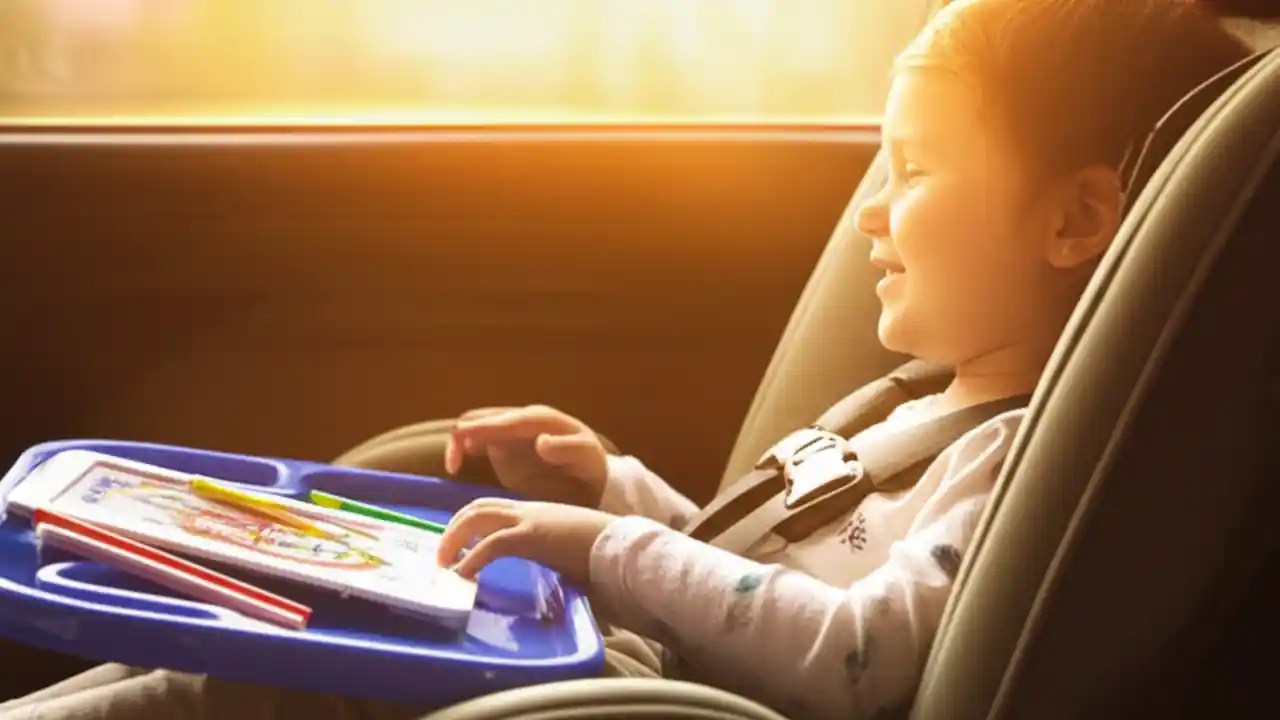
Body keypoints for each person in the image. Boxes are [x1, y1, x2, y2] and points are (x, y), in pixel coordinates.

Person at [0, 2, 1250, 719]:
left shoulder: (1002, 464)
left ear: (1075, 222)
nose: (872, 209)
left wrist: (605, 549)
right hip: (619, 663)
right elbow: (751, 562)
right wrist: (614, 486)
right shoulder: (908, 405)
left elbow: (861, 659)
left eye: (912, 174)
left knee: (263, 691)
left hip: (646, 706)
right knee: (247, 648)